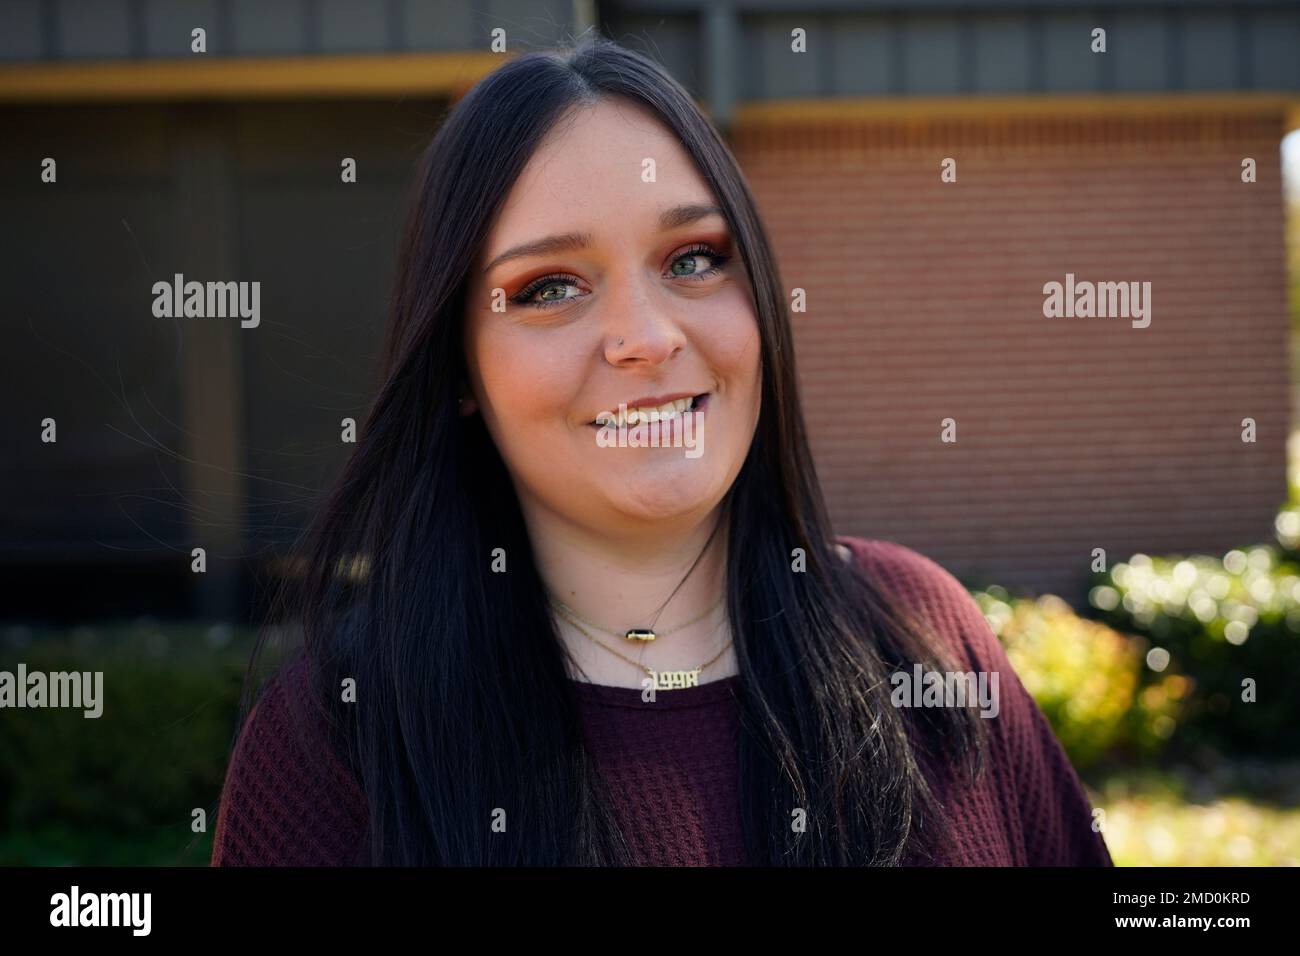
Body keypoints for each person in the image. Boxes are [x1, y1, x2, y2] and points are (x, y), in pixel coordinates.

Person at [211, 35, 1113, 867]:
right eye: (549, 287)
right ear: (456, 368)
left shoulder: (923, 635)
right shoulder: (334, 742)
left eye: (692, 260)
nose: (645, 337)